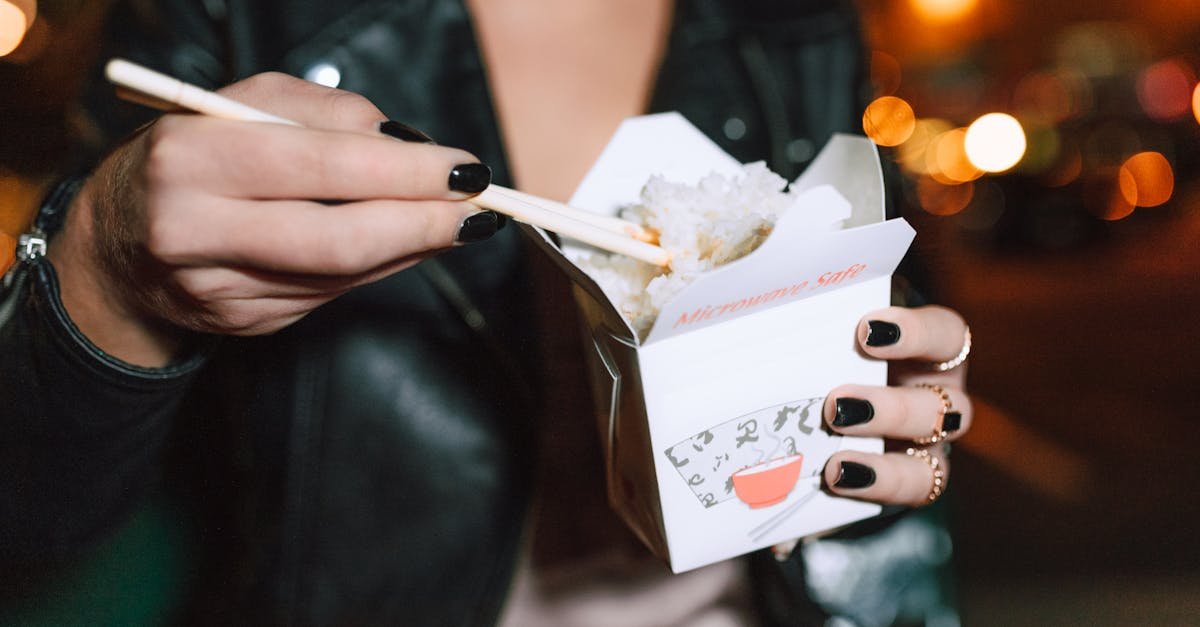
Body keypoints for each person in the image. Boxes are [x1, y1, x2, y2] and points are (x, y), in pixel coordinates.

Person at [0, 0, 974, 624]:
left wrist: (906, 407)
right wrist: (104, 273)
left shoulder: (793, 22)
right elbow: (30, 518)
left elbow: (894, 330)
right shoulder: (240, 14)